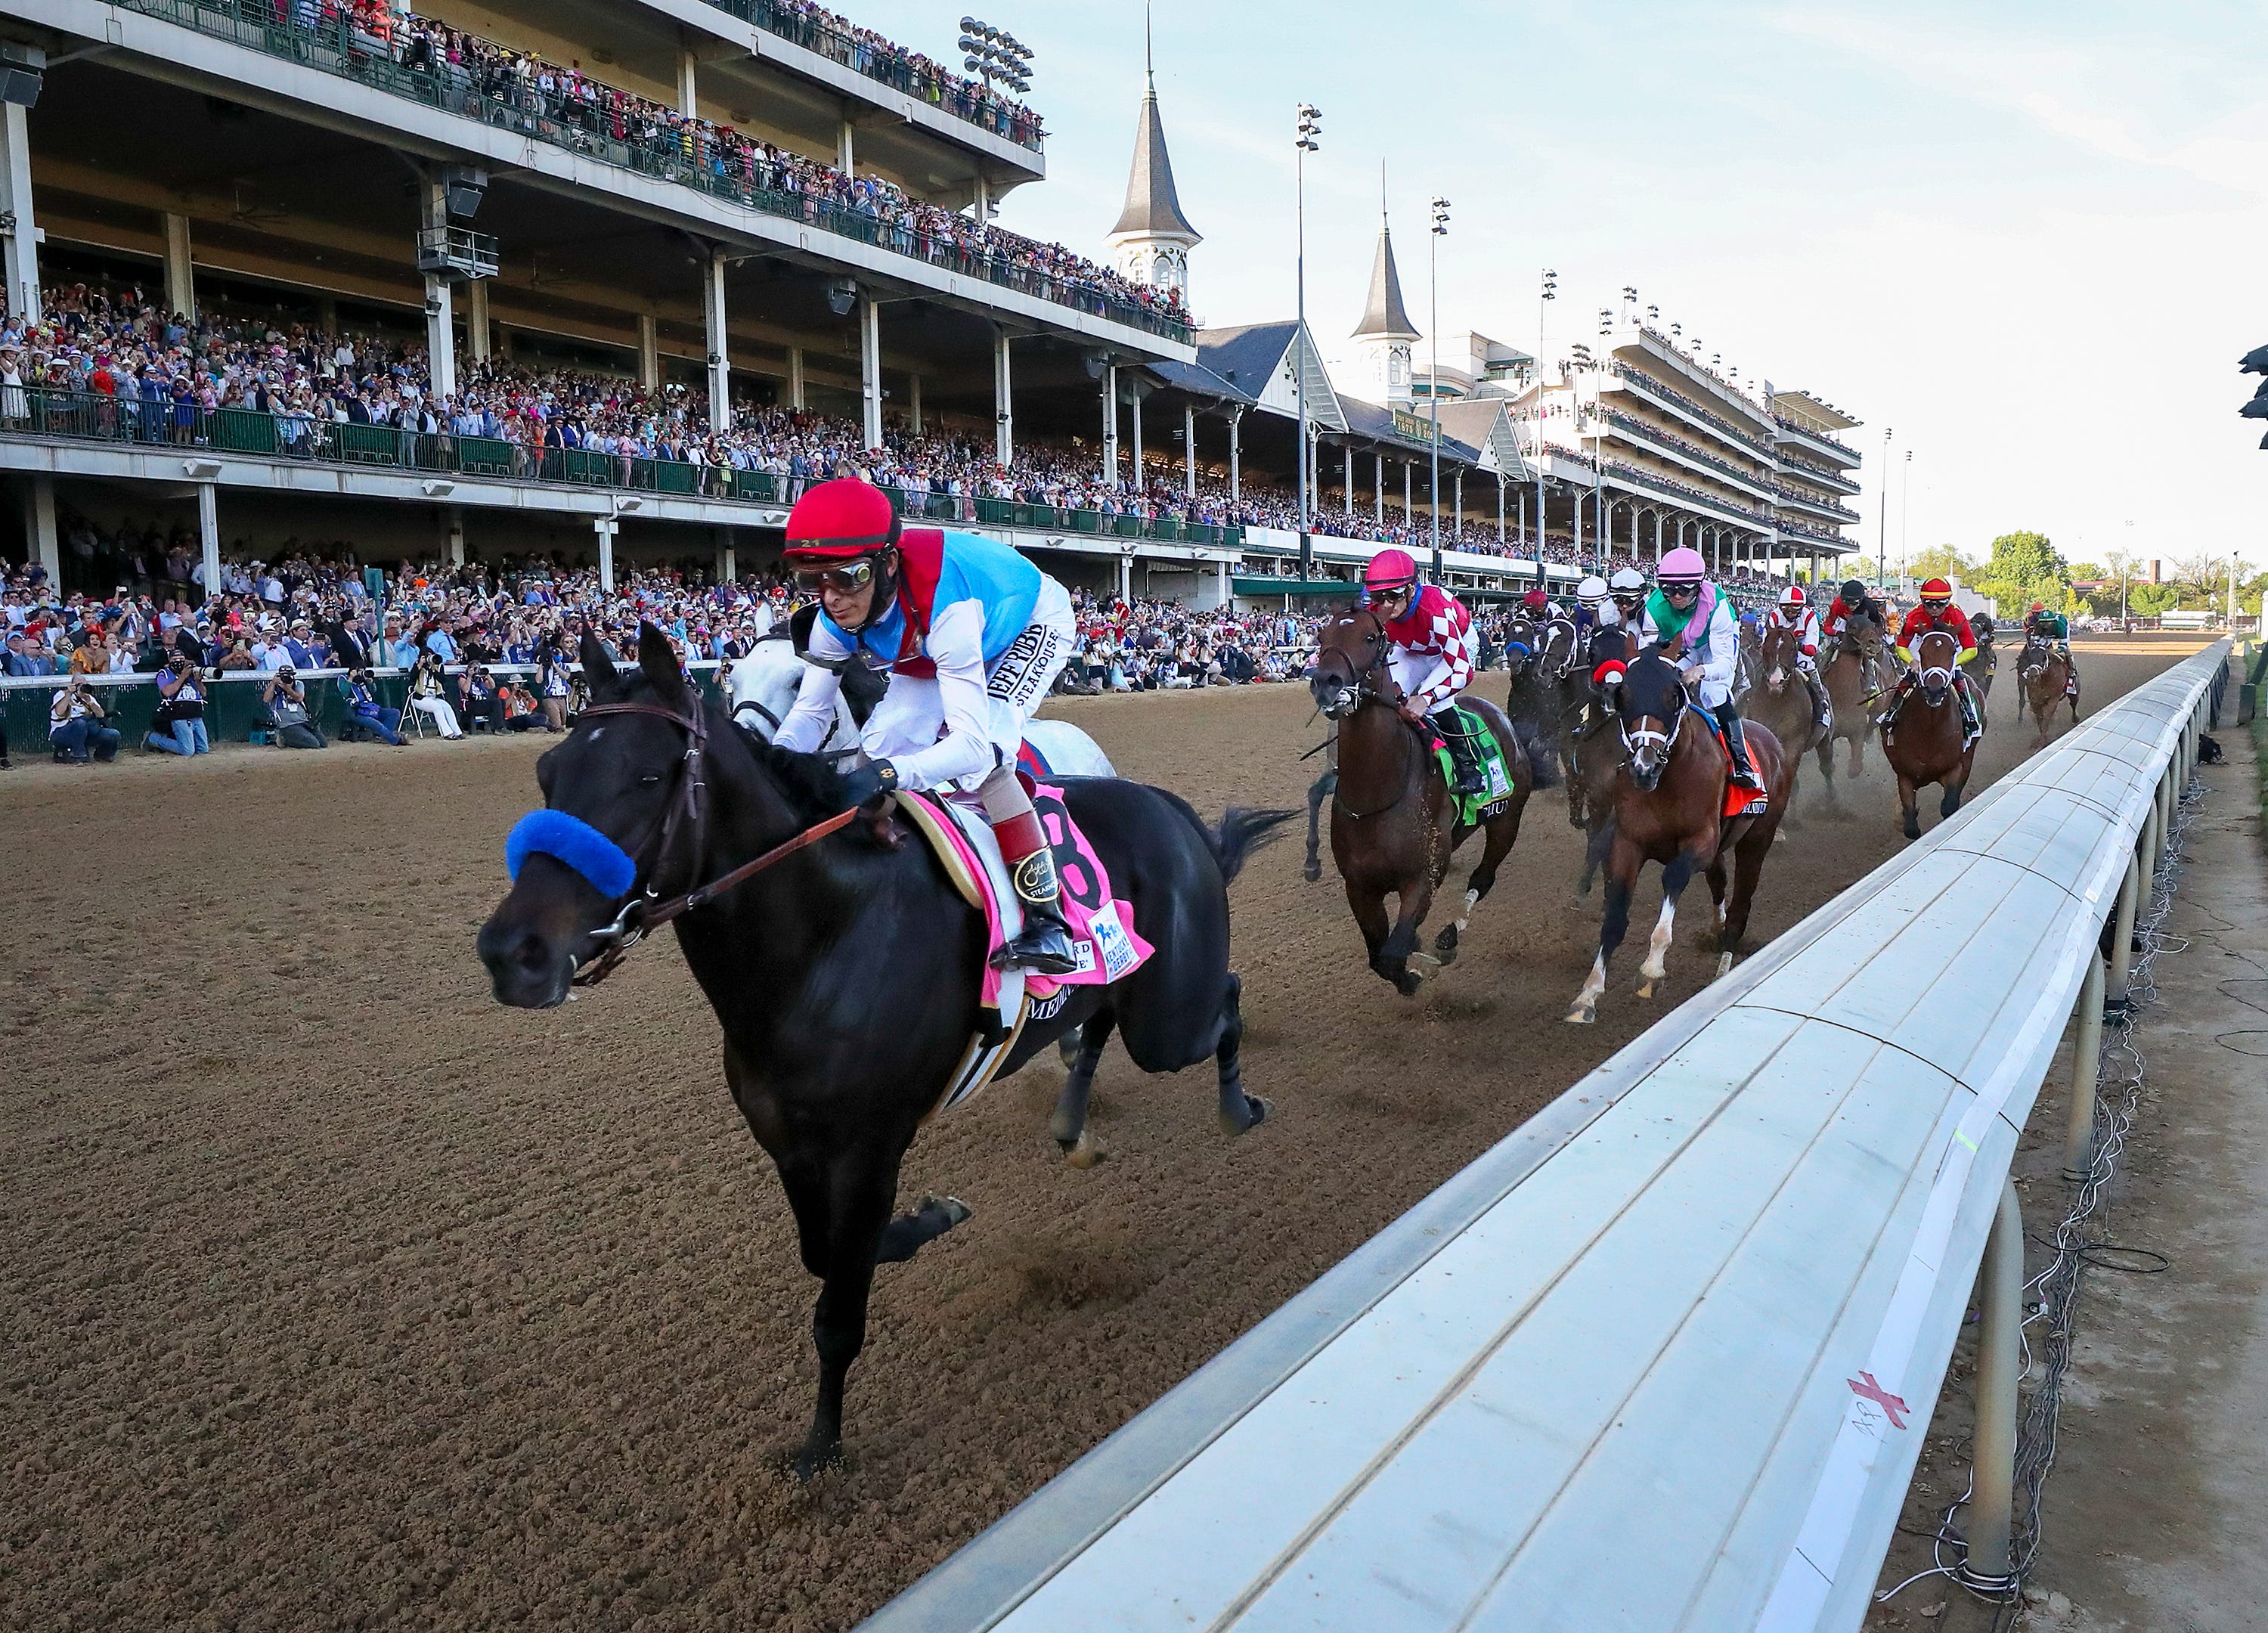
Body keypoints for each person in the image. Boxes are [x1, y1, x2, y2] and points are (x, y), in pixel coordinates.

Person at [773, 477, 1083, 975]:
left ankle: (1050, 923)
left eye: (848, 576)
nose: (831, 598)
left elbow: (969, 746)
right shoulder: (838, 612)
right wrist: (772, 759)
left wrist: (890, 778)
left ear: (887, 564)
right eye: (814, 581)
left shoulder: (948, 604)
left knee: (989, 758)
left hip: (1024, 622)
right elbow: (808, 715)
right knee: (876, 746)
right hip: (929, 646)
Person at [1359, 547, 1486, 798]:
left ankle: (1470, 769)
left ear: (1411, 589)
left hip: (1452, 648)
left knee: (1435, 702)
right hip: (1414, 648)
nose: (1385, 605)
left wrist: (1426, 698)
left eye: (1392, 596)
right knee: (1386, 694)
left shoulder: (1435, 610)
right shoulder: (1376, 610)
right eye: (1378, 597)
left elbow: (1462, 670)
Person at [1639, 546, 1764, 795]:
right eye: (1668, 590)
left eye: (1684, 590)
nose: (1675, 597)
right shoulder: (1654, 608)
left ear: (1698, 586)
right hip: (1684, 647)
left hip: (1715, 648)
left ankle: (1742, 763)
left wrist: (1700, 671)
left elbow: (1724, 664)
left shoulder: (1716, 607)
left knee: (1712, 693)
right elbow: (1648, 654)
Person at [1887, 578, 1983, 739]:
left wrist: (1952, 664)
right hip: (1921, 645)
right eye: (1929, 604)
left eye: (1940, 604)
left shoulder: (1957, 615)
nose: (1934, 609)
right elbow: (1901, 646)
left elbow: (1971, 650)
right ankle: (1891, 712)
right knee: (1909, 677)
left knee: (1957, 677)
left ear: (1948, 602)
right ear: (1922, 602)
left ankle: (1970, 714)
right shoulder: (1914, 617)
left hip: (1950, 647)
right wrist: (1912, 662)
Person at [1766, 584, 1836, 735]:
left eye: (1795, 608)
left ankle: (1823, 710)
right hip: (1778, 658)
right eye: (1786, 608)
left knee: (1816, 685)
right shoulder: (1774, 617)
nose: (1790, 612)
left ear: (1802, 607)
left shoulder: (1810, 617)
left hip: (1802, 659)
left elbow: (1811, 649)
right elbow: (1768, 644)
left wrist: (1795, 646)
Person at [1820, 577, 1891, 694]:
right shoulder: (1837, 605)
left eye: (1854, 603)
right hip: (1846, 623)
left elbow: (1878, 626)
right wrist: (1838, 634)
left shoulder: (1869, 605)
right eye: (1846, 603)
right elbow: (1827, 626)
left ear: (1862, 599)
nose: (1850, 606)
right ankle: (1820, 672)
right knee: (1831, 648)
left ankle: (1870, 681)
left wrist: (1871, 640)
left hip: (1867, 627)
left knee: (1868, 651)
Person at [146, 653, 211, 755]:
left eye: (181, 659)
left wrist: (198, 681)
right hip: (179, 715)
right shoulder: (164, 674)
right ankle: (154, 738)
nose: (178, 661)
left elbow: (203, 693)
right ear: (169, 661)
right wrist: (182, 677)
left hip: (196, 715)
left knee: (203, 749)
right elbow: (167, 692)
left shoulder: (191, 675)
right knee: (187, 751)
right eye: (175, 659)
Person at [49, 674, 120, 763]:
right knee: (80, 723)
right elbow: (59, 712)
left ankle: (103, 755)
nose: (82, 688)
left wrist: (89, 702)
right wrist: (69, 694)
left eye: (84, 685)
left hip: (86, 732)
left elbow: (101, 715)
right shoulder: (62, 694)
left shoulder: (89, 698)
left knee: (113, 734)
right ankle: (79, 755)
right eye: (79, 685)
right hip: (62, 732)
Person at [262, 665, 328, 748]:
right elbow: (266, 699)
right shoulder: (275, 687)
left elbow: (299, 698)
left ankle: (290, 739)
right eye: (284, 676)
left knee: (323, 743)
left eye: (289, 675)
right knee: (313, 744)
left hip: (303, 722)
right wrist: (273, 683)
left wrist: (288, 689)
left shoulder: (298, 684)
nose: (287, 679)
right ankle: (284, 739)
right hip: (287, 725)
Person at [2023, 600, 2079, 697]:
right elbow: (2034, 641)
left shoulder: (2060, 626)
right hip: (2046, 635)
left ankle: (2072, 671)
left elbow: (2063, 645)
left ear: (2052, 621)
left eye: (2048, 622)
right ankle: (2031, 668)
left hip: (2060, 630)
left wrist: (2055, 650)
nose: (2045, 625)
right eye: (2043, 623)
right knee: (2037, 650)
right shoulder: (2038, 625)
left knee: (2066, 651)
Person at [406, 649, 463, 739]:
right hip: (419, 698)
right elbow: (412, 679)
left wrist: (433, 670)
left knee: (447, 707)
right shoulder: (417, 666)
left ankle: (457, 732)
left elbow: (443, 680)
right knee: (437, 707)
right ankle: (448, 733)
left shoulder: (438, 667)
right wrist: (420, 665)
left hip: (434, 697)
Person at [339, 668, 406, 745]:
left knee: (395, 713)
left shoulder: (362, 681)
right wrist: (351, 678)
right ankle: (396, 740)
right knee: (376, 724)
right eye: (359, 671)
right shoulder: (343, 678)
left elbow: (373, 694)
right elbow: (344, 693)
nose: (361, 673)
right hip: (356, 711)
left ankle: (384, 737)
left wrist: (370, 683)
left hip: (370, 708)